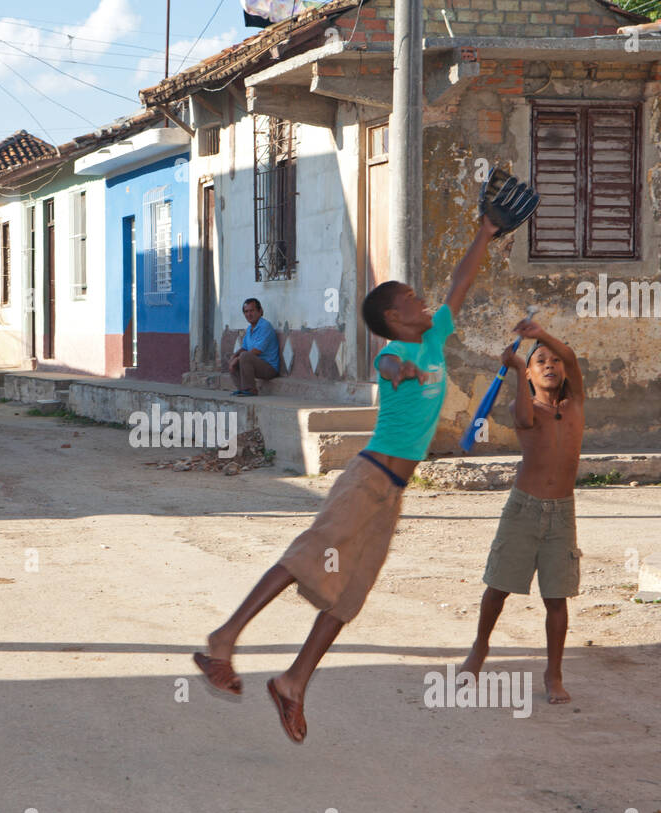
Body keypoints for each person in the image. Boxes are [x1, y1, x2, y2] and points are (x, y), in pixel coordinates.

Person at [195, 215, 500, 743]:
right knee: (303, 556)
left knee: (349, 597)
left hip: (391, 496)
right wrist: (397, 371)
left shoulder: (431, 342)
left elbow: (460, 282)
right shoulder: (399, 352)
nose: (423, 301)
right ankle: (223, 641)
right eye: (411, 298)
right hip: (365, 480)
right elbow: (385, 362)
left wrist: (484, 233)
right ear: (394, 316)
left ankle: (292, 683)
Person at [459, 320, 585, 704]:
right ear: (529, 375)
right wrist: (516, 368)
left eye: (553, 361)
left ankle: (554, 674)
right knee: (498, 586)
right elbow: (524, 420)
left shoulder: (575, 402)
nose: (550, 365)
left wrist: (540, 335)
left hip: (562, 513)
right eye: (539, 362)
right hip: (523, 510)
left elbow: (572, 357)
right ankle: (480, 647)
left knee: (557, 597)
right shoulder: (523, 405)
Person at [228, 298, 280, 396]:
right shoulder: (249, 329)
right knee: (234, 358)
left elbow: (257, 351)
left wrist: (238, 358)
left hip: (269, 368)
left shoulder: (265, 326)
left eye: (252, 311)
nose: (249, 314)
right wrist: (234, 357)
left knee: (244, 356)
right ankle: (242, 389)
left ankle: (250, 389)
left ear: (260, 311)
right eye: (246, 312)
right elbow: (244, 348)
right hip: (255, 365)